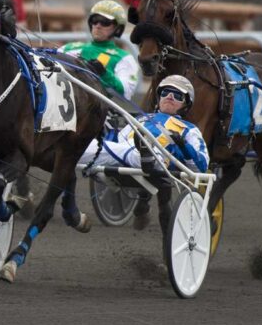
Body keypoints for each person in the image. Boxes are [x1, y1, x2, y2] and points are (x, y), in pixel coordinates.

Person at [79, 75, 208, 230]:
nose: (170, 97)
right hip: (126, 154)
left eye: (177, 96)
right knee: (84, 146)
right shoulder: (141, 119)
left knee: (148, 153)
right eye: (165, 93)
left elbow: (200, 166)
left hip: (161, 160)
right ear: (158, 97)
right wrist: (112, 130)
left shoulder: (189, 129)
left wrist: (183, 145)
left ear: (186, 105)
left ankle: (146, 154)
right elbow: (117, 144)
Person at [59, 0, 140, 101]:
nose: (98, 26)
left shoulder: (123, 57)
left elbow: (125, 92)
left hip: (96, 111)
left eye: (105, 22)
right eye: (95, 20)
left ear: (117, 28)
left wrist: (104, 74)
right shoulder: (69, 47)